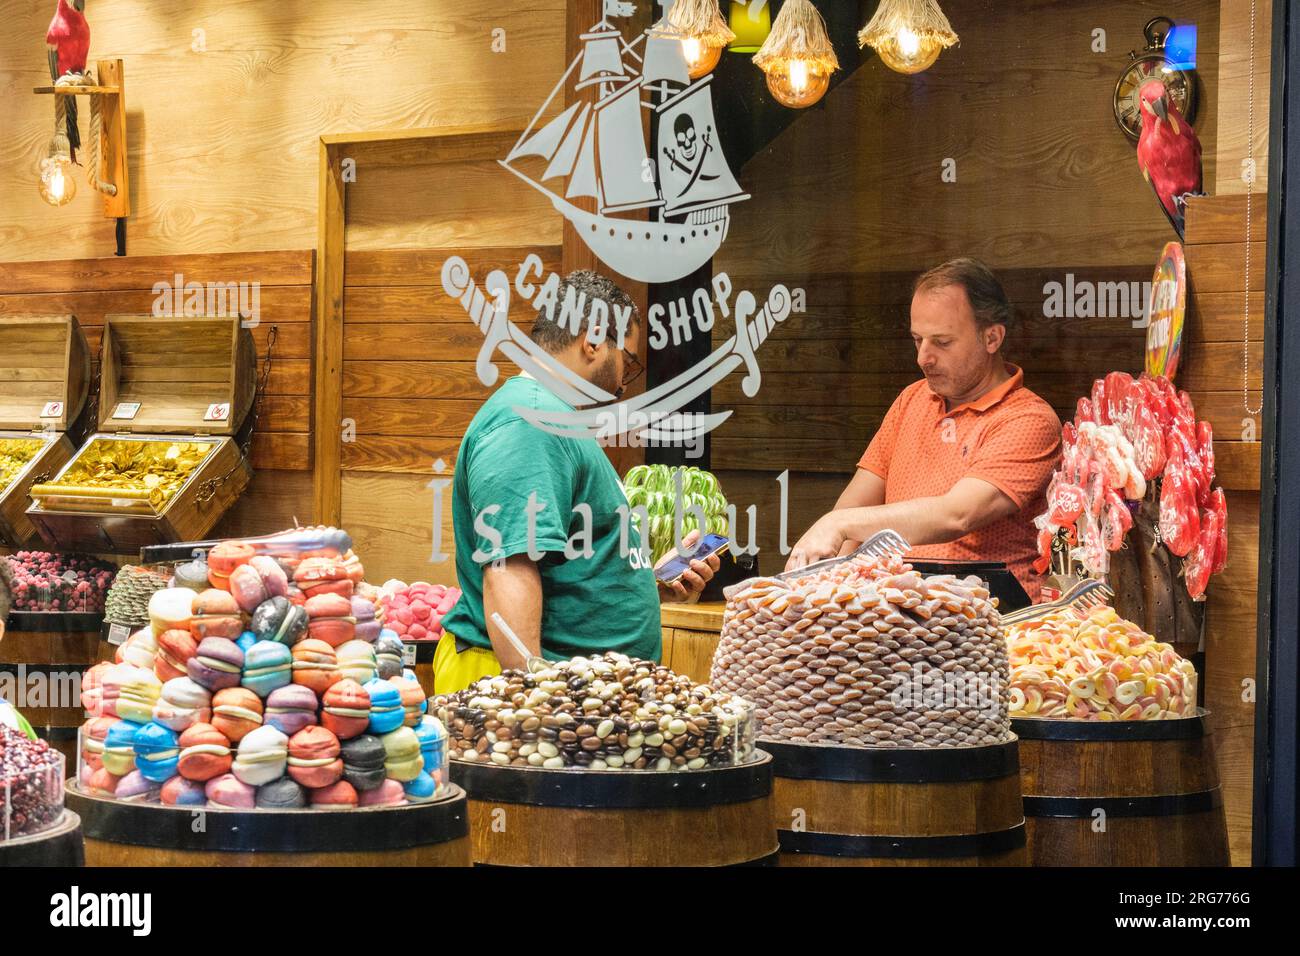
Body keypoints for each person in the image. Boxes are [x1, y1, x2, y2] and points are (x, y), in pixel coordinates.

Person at [437, 270, 719, 692]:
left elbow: (567, 567)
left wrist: (647, 584)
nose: (625, 380)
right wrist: (533, 703)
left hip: (583, 695)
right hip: (534, 696)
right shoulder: (530, 421)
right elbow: (509, 568)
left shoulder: (554, 420)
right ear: (592, 341)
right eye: (629, 359)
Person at [786, 258, 1062, 601]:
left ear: (992, 337)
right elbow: (854, 507)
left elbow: (957, 514)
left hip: (989, 618)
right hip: (896, 610)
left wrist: (837, 524)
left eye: (942, 342)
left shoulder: (1028, 419)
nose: (923, 358)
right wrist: (821, 587)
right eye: (918, 340)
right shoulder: (912, 399)